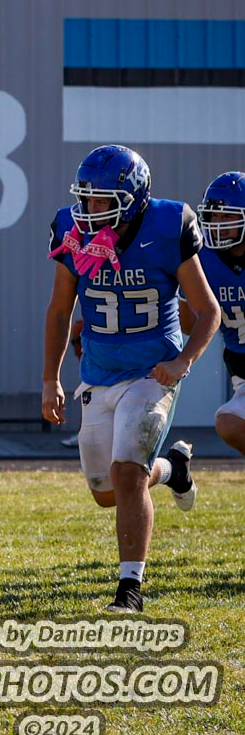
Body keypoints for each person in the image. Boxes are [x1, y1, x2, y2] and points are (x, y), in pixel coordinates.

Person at [42, 145, 218, 613]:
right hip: (98, 373)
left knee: (126, 474)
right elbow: (60, 311)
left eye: (103, 200)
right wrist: (49, 379)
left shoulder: (167, 225)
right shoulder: (70, 228)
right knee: (106, 493)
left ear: (133, 198)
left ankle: (130, 590)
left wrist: (182, 363)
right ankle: (173, 470)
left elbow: (208, 310)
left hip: (151, 372)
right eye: (87, 199)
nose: (91, 209)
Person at [180, 171, 245, 459]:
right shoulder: (201, 257)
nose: (217, 225)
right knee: (228, 422)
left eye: (227, 217)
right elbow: (191, 322)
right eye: (213, 217)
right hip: (243, 372)